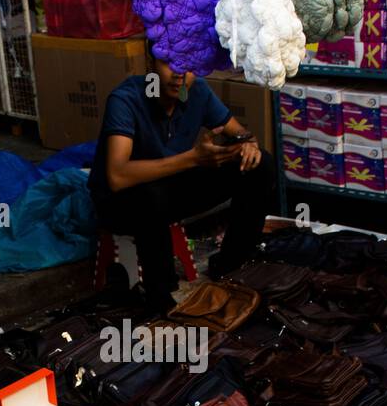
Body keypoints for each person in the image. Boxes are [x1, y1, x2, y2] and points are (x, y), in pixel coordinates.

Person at [89, 47, 275, 312]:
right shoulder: (126, 99)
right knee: (150, 194)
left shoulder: (196, 90)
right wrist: (193, 159)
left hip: (169, 189)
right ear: (151, 62)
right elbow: (117, 176)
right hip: (120, 202)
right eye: (169, 63)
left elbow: (241, 133)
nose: (179, 74)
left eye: (188, 65)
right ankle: (159, 298)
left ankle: (232, 265)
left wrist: (247, 145)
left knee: (260, 164)